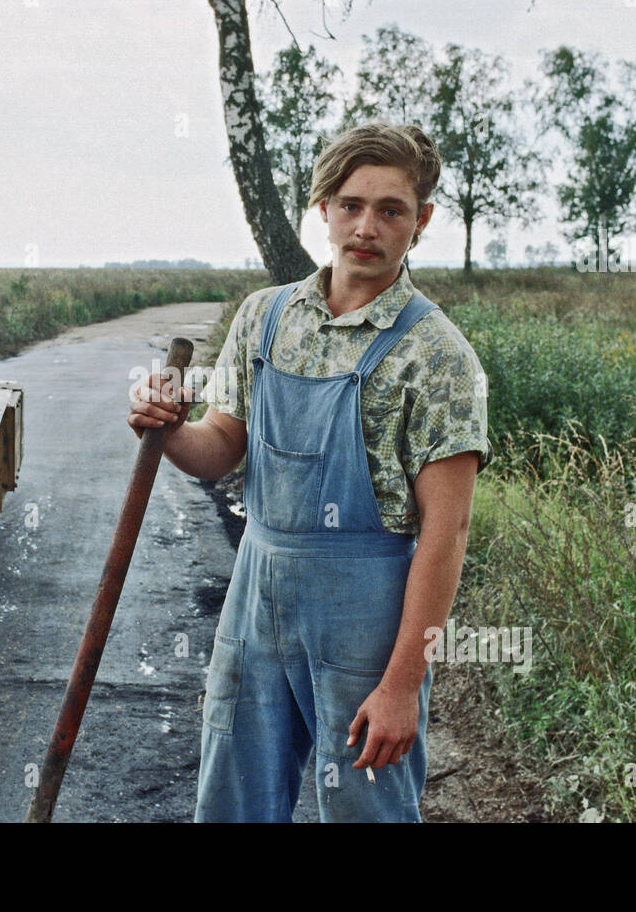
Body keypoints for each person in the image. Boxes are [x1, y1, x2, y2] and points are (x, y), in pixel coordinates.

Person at [127, 123, 492, 822]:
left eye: (391, 210)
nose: (367, 227)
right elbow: (219, 448)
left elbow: (447, 533)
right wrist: (166, 427)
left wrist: (401, 685)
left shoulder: (438, 355)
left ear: (422, 222)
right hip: (256, 591)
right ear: (323, 207)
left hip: (366, 614)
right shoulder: (265, 318)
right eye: (351, 204)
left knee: (365, 805)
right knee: (234, 798)